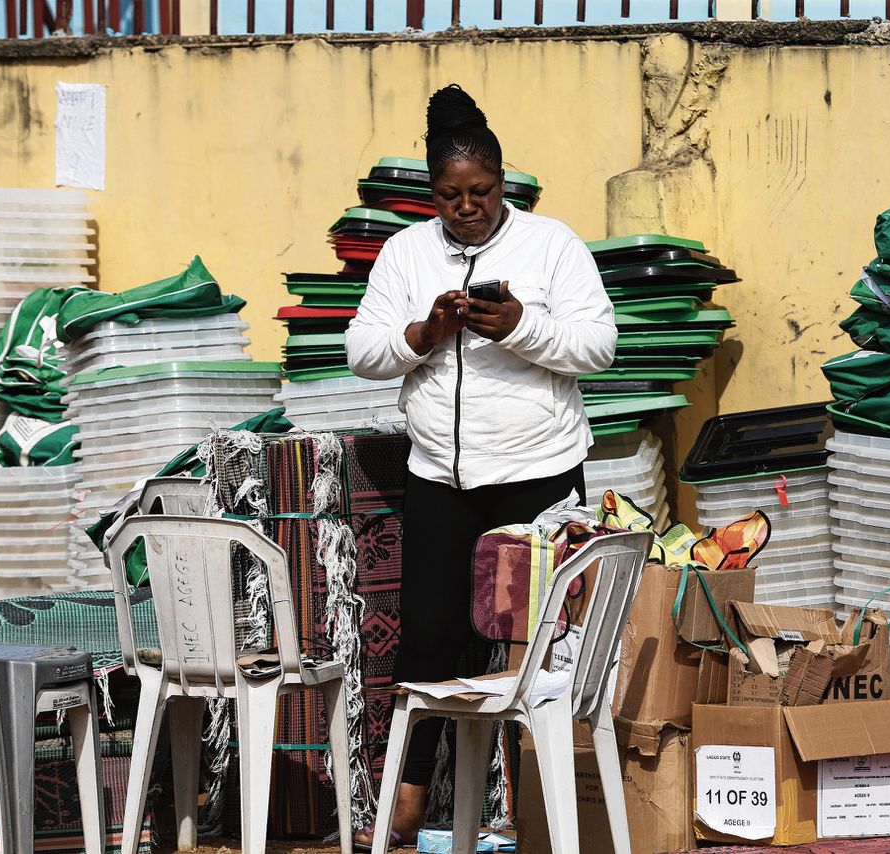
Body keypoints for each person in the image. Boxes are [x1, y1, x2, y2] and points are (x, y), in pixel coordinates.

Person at [344, 83, 617, 847]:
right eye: (450, 195)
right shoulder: (405, 253)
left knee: (543, 648)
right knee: (429, 638)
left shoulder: (551, 245)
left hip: (540, 473)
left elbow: (599, 345)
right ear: (433, 194)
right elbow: (361, 351)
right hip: (442, 478)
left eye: (482, 192)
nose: (467, 207)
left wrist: (521, 326)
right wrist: (423, 333)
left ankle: (544, 802)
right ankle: (406, 800)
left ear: (504, 184)